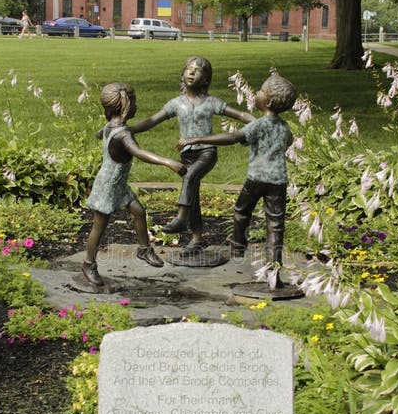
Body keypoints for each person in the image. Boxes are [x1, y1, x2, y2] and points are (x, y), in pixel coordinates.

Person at [179, 71, 297, 285]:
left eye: (260, 91)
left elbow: (233, 137)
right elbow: (287, 143)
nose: (257, 94)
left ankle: (238, 246)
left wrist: (197, 138)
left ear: (268, 100)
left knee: (242, 211)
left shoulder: (259, 124)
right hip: (278, 181)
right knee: (275, 224)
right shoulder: (285, 127)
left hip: (256, 179)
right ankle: (274, 270)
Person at [129, 56, 254, 254]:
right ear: (183, 74)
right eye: (189, 69)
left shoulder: (212, 102)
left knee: (190, 175)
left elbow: (240, 115)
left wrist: (260, 123)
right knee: (193, 194)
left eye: (198, 70)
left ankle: (181, 218)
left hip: (207, 152)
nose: (192, 72)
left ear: (206, 79)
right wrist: (129, 130)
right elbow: (152, 120)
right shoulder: (176, 104)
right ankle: (197, 238)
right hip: (187, 156)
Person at [83, 82, 186, 287]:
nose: (137, 105)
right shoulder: (122, 134)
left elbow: (100, 134)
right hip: (108, 186)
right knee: (99, 226)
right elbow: (139, 153)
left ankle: (144, 249)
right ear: (126, 106)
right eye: (135, 101)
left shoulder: (111, 127)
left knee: (138, 211)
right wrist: (169, 162)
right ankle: (88, 263)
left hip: (117, 183)